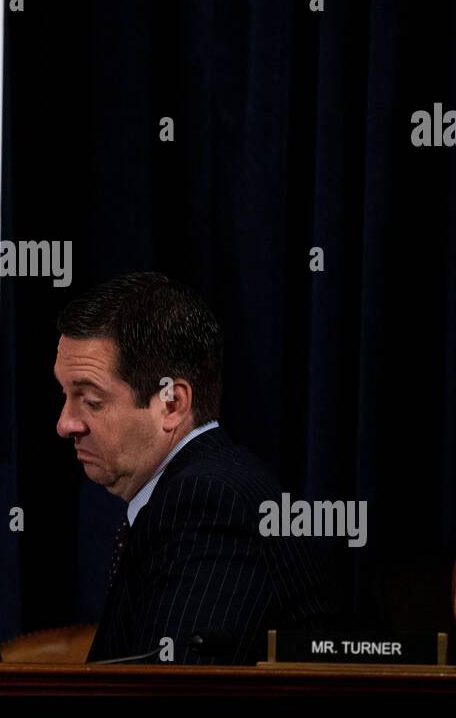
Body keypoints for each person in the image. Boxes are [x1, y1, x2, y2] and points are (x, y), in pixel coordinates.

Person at [54, 272, 330, 664]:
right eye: (66, 395)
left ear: (171, 403)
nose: (66, 424)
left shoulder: (208, 502)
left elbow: (171, 697)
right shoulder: (195, 488)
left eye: (92, 401)